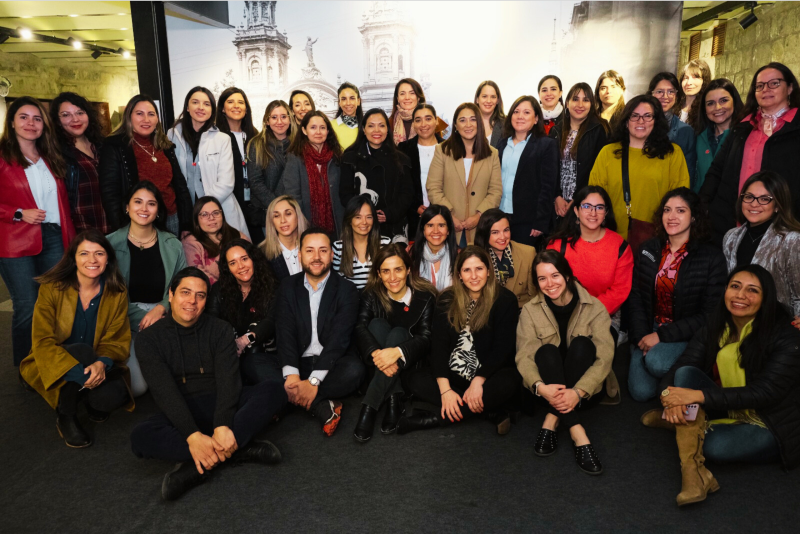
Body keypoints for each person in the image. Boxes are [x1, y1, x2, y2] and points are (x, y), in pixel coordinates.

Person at [648, 265, 800, 506]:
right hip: (727, 403)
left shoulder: (786, 337)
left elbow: (764, 394)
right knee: (687, 373)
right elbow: (681, 366)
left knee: (715, 447)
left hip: (767, 421)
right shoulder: (717, 324)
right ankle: (694, 474)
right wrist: (669, 397)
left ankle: (680, 422)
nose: (740, 295)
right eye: (735, 286)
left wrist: (695, 396)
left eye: (752, 290)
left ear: (766, 298)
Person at [130, 267, 286, 501]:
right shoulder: (148, 340)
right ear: (170, 295)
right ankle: (238, 449)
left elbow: (228, 381)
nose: (191, 301)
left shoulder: (220, 330)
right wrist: (192, 435)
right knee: (140, 436)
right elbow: (164, 392)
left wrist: (222, 425)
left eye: (200, 295)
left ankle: (197, 466)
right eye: (185, 292)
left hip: (222, 402)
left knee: (275, 389)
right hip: (181, 408)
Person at [19, 229, 132, 448]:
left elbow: (116, 340)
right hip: (52, 359)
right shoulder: (52, 289)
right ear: (73, 258)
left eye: (99, 253)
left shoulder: (116, 293)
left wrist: (101, 364)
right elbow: (42, 341)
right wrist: (83, 375)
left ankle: (83, 392)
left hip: (93, 361)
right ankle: (66, 414)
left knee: (115, 396)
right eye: (84, 254)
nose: (92, 260)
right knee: (81, 350)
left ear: (108, 259)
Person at [397, 246, 520, 435]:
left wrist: (479, 381)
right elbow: (439, 345)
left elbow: (502, 349)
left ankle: (431, 419)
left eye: (479, 269)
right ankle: (488, 411)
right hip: (454, 375)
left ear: (488, 271)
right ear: (459, 275)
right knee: (414, 379)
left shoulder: (505, 300)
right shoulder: (447, 298)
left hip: (487, 374)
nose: (474, 276)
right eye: (467, 270)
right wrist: (445, 390)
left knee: (510, 381)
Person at [515, 250, 614, 475]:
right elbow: (524, 356)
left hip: (584, 393)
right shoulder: (530, 311)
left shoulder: (594, 307)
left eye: (555, 275)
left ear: (567, 275)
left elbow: (604, 358)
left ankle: (551, 419)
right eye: (542, 278)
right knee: (547, 352)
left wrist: (578, 392)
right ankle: (578, 432)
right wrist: (540, 387)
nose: (549, 284)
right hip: (546, 391)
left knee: (582, 345)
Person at [627, 188, 727, 402]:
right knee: (640, 392)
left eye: (680, 210)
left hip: (685, 333)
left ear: (694, 217)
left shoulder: (712, 258)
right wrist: (642, 338)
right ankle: (663, 371)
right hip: (649, 327)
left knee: (657, 363)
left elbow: (709, 315)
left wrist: (661, 337)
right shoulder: (648, 249)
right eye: (667, 210)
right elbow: (635, 297)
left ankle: (682, 375)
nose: (671, 216)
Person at [0, 96, 76, 366]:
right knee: (27, 307)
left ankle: (52, 361)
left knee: (55, 303)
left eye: (37, 118)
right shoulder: (3, 157)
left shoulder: (49, 156)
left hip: (54, 237)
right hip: (15, 242)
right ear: (11, 122)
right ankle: (27, 366)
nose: (30, 123)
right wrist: (18, 213)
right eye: (23, 117)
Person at [272, 228, 365, 436]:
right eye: (310, 251)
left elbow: (339, 340)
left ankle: (287, 399)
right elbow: (284, 331)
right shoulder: (288, 286)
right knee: (254, 364)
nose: (316, 257)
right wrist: (292, 376)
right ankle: (319, 404)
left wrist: (314, 381)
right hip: (298, 362)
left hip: (332, 364)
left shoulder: (346, 289)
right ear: (300, 255)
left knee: (355, 371)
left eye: (323, 251)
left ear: (332, 255)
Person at [700, 62, 800, 246]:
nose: (766, 89)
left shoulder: (796, 127)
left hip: (782, 230)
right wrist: (704, 207)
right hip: (731, 225)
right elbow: (717, 170)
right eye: (759, 86)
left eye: (774, 83)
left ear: (790, 88)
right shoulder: (742, 128)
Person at [107, 181, 188, 397]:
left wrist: (161, 309)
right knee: (138, 387)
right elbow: (110, 296)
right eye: (138, 202)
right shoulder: (110, 245)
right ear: (127, 207)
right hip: (125, 318)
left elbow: (182, 287)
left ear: (159, 211)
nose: (144, 209)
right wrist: (143, 320)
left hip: (165, 315)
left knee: (185, 377)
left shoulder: (173, 244)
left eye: (151, 204)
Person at [352, 244, 436, 442]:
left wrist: (397, 352)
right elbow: (360, 328)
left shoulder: (425, 298)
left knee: (399, 333)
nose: (392, 277)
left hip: (410, 366)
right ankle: (392, 398)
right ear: (379, 274)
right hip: (378, 362)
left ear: (408, 270)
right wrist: (376, 354)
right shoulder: (370, 296)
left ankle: (369, 407)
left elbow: (425, 338)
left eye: (398, 269)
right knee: (377, 325)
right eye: (386, 271)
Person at [588, 95, 690, 249]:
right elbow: (594, 199)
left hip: (657, 241)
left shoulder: (672, 154)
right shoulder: (608, 153)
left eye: (647, 116)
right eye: (634, 116)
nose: (640, 121)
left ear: (656, 120)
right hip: (611, 240)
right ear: (626, 120)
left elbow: (681, 200)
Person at [99, 94, 192, 235]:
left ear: (157, 119)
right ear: (129, 116)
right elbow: (110, 194)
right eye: (139, 114)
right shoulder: (115, 146)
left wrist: (186, 225)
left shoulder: (165, 146)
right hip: (139, 223)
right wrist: (122, 229)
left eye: (151, 114)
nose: (146, 120)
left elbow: (180, 186)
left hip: (172, 218)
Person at [547, 186, 633, 335]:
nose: (593, 213)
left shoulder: (620, 247)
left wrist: (587, 314)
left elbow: (619, 291)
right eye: (587, 206)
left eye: (599, 207)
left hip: (605, 315)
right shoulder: (557, 246)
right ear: (576, 211)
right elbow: (549, 285)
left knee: (586, 350)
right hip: (562, 312)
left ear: (605, 212)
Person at [168, 87, 250, 240]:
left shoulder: (222, 139)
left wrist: (203, 210)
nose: (200, 107)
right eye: (195, 102)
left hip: (219, 210)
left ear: (212, 110)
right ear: (187, 107)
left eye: (206, 104)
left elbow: (226, 183)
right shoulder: (172, 135)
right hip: (185, 213)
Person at [722, 171, 800, 322]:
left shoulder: (792, 240)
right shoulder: (731, 237)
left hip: (776, 325)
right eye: (749, 197)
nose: (754, 203)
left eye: (764, 199)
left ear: (777, 205)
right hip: (737, 321)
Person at [427, 102, 502, 247]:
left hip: (480, 228)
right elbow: (433, 187)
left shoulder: (492, 153)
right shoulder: (442, 151)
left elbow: (495, 191)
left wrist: (479, 215)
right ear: (455, 125)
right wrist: (449, 215)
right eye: (462, 120)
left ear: (479, 123)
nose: (468, 124)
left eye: (473, 119)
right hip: (449, 227)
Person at [207, 239, 279, 385]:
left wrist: (245, 340)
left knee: (253, 356)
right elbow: (212, 322)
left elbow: (271, 321)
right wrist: (229, 345)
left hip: (262, 354)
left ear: (253, 259)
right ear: (228, 268)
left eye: (244, 259)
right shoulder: (219, 290)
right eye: (233, 263)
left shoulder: (273, 286)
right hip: (228, 352)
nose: (240, 267)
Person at [340, 108, 413, 241]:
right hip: (361, 227)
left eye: (381, 125)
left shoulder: (402, 159)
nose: (376, 131)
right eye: (371, 126)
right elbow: (345, 194)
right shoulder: (350, 158)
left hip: (394, 227)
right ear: (363, 129)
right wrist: (366, 215)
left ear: (387, 129)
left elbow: (407, 194)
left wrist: (388, 214)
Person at [497, 95, 558, 249]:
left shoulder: (546, 145)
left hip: (528, 220)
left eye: (526, 112)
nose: (520, 117)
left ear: (536, 118)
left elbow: (547, 186)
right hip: (500, 215)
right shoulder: (502, 143)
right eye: (516, 112)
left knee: (524, 265)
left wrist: (540, 221)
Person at [50, 91, 109, 233]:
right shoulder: (56, 152)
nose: (75, 119)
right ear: (57, 121)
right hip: (80, 229)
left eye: (80, 113)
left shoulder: (102, 146)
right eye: (66, 115)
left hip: (112, 225)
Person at [277, 111, 344, 235]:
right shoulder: (295, 157)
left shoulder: (337, 156)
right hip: (306, 225)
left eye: (322, 128)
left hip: (337, 225)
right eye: (313, 127)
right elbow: (293, 195)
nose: (318, 132)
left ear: (328, 131)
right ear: (304, 130)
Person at [549, 83, 610, 219]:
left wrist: (578, 199)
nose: (580, 104)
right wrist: (556, 196)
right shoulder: (556, 131)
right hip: (557, 205)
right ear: (566, 103)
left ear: (592, 104)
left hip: (586, 204)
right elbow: (550, 169)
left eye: (586, 100)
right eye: (575, 99)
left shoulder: (599, 130)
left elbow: (598, 172)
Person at [216, 87, 261, 241]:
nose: (236, 105)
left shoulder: (256, 136)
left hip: (255, 205)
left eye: (241, 102)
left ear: (246, 109)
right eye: (230, 102)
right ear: (222, 108)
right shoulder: (216, 137)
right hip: (230, 202)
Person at [247, 100, 295, 235]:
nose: (279, 121)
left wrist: (291, 208)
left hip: (295, 211)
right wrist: (277, 207)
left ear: (290, 119)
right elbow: (255, 181)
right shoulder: (257, 144)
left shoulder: (299, 144)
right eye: (274, 117)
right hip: (268, 212)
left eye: (284, 116)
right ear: (267, 121)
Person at [473, 208, 536, 308]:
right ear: (484, 233)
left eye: (506, 230)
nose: (502, 237)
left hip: (519, 313)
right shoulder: (472, 254)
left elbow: (534, 297)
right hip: (484, 312)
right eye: (495, 232)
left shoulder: (528, 253)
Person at [398, 103, 442, 238]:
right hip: (414, 216)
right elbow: (400, 184)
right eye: (418, 120)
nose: (423, 124)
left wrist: (440, 208)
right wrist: (415, 206)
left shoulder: (448, 148)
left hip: (444, 215)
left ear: (436, 121)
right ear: (413, 124)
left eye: (428, 118)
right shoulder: (403, 149)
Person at [181, 196, 247, 285]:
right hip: (214, 294)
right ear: (196, 219)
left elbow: (255, 262)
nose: (211, 218)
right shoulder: (190, 243)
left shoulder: (236, 235)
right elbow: (198, 275)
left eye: (216, 213)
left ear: (222, 215)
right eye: (204, 214)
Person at [694, 79, 743, 192]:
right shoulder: (699, 138)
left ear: (734, 101)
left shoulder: (745, 137)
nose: (717, 107)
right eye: (710, 103)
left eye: (723, 100)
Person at [649, 72, 697, 186]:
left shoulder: (686, 131)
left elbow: (688, 172)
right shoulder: (640, 125)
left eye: (671, 92)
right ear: (651, 94)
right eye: (660, 92)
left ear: (676, 95)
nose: (665, 96)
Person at [333, 195, 391, 290]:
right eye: (358, 217)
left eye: (369, 217)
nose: (364, 222)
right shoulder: (338, 248)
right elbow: (338, 285)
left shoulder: (385, 243)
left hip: (380, 300)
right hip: (350, 301)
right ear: (349, 220)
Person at [260, 194, 308, 281]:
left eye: (288, 214)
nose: (283, 220)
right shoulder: (262, 254)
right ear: (271, 221)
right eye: (276, 216)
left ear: (298, 216)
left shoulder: (313, 247)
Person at [410, 204, 457, 292]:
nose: (436, 231)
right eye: (430, 225)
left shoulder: (459, 255)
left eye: (441, 225)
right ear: (423, 230)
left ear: (448, 230)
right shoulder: (412, 255)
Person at [390, 78, 425, 145]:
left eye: (412, 93)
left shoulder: (430, 121)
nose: (407, 97)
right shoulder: (389, 124)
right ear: (397, 98)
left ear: (418, 97)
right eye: (402, 94)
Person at [679, 59, 712, 129]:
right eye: (686, 78)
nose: (688, 83)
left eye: (695, 77)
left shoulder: (706, 110)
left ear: (704, 81)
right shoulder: (674, 107)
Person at [474, 80, 506, 148]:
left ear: (497, 100)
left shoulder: (506, 124)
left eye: (493, 97)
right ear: (477, 99)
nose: (489, 101)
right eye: (484, 96)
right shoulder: (468, 123)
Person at [332, 82, 363, 150]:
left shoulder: (366, 126)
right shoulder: (330, 126)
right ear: (339, 103)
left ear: (358, 101)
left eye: (352, 98)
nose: (348, 103)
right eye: (343, 99)